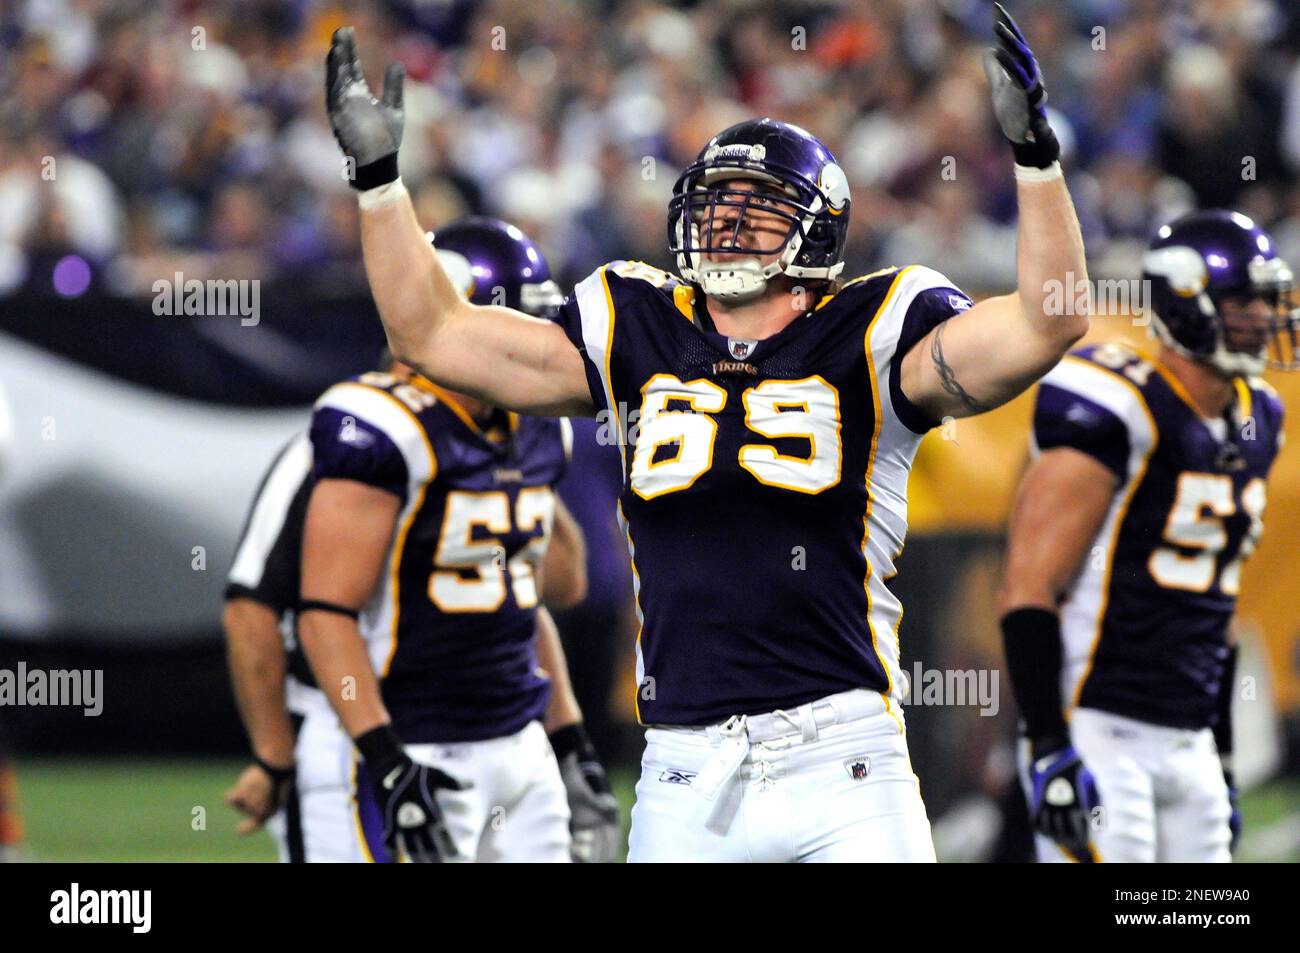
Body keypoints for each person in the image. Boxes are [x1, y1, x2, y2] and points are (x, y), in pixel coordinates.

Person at [324, 4, 1090, 861]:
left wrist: (1035, 160)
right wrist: (382, 182)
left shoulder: (875, 330)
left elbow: (1047, 323)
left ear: (818, 228)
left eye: (757, 208)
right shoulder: (635, 322)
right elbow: (431, 335)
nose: (727, 224)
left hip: (845, 759)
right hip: (685, 766)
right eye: (718, 204)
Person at [224, 218, 619, 862]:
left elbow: (535, 591)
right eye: (518, 323)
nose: (532, 346)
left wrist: (569, 740)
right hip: (397, 733)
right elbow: (271, 611)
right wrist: (277, 756)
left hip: (512, 739)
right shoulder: (371, 431)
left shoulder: (531, 430)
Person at [998, 209, 1295, 862]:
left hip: (1189, 737)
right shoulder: (1120, 405)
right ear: (1187, 303)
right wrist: (1048, 743)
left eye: (1265, 300)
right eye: (1243, 300)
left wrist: (1220, 748)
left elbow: (1217, 605)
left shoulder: (1259, 419)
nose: (1265, 317)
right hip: (1102, 727)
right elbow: (1027, 584)